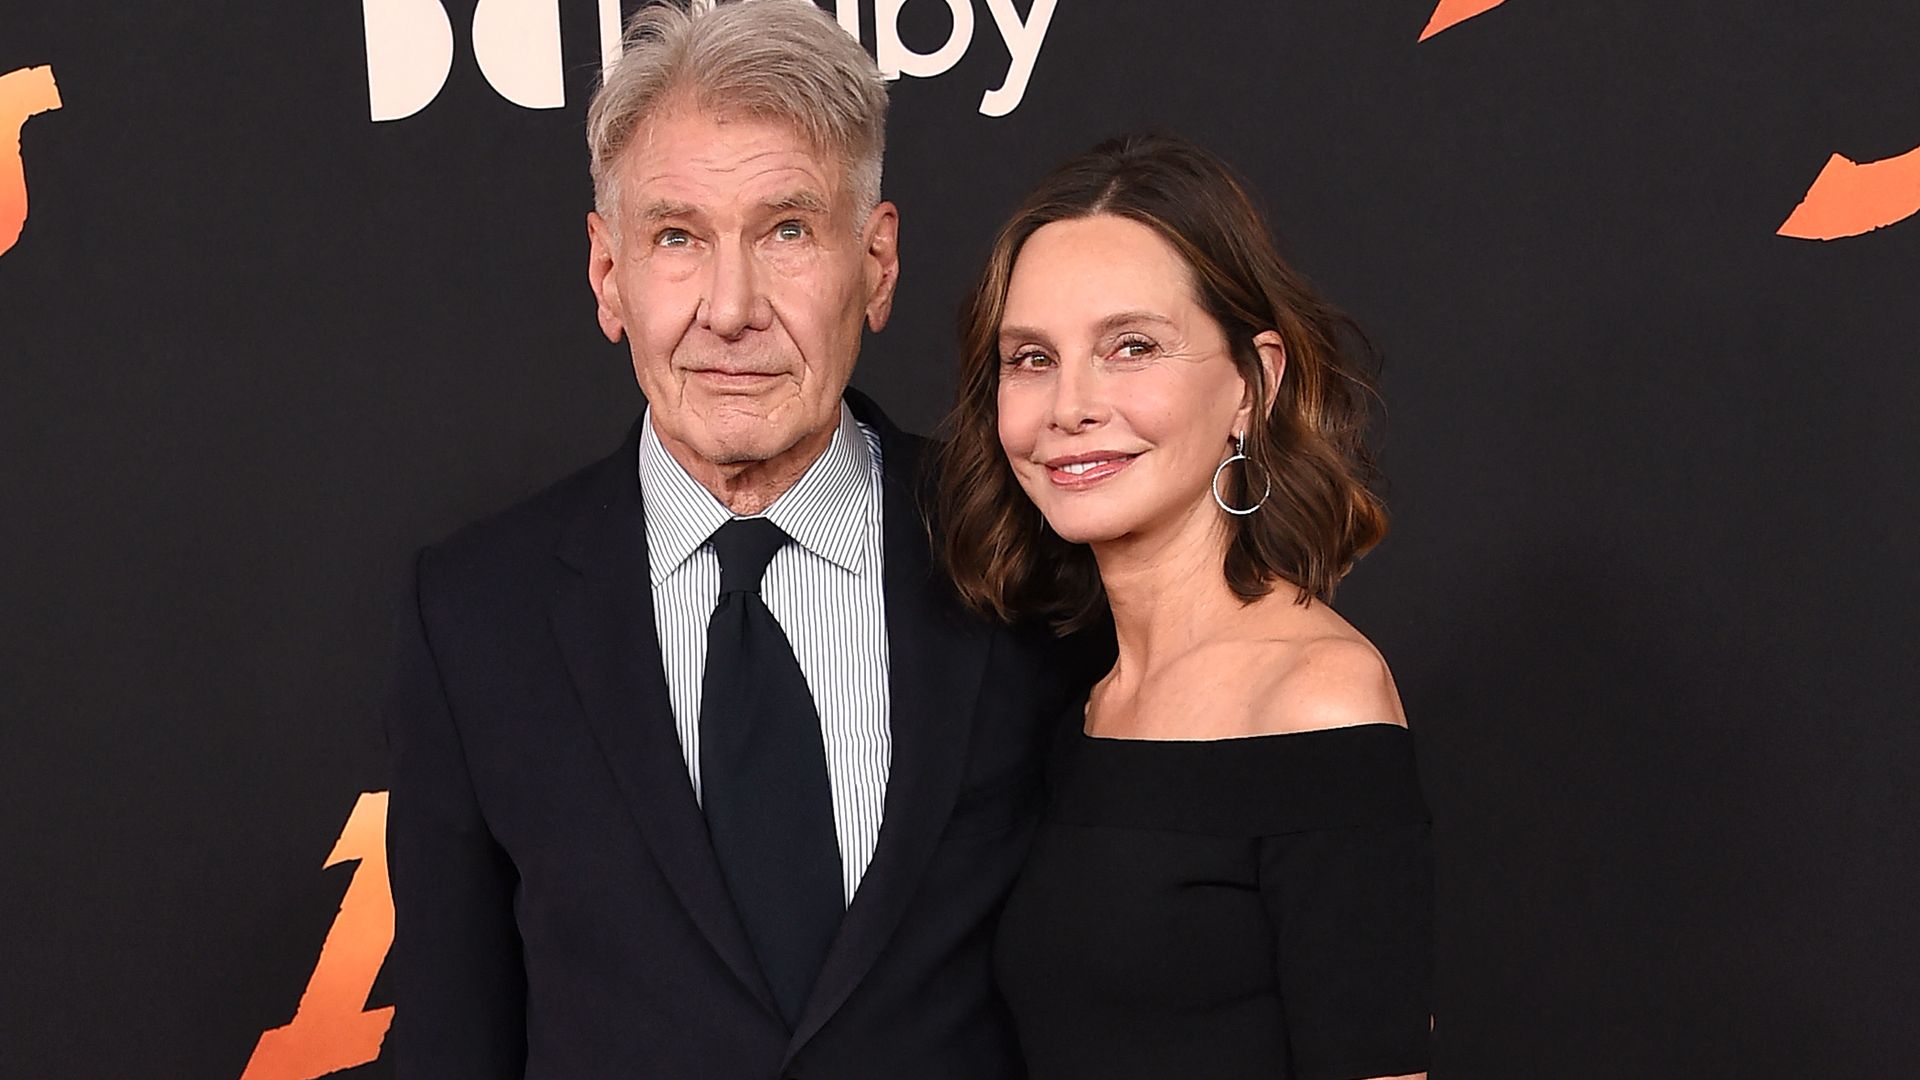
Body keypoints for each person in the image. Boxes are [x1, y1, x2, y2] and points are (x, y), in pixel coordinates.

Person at [383, 2, 1094, 1077]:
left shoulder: (1030, 550)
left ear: (879, 262)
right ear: (607, 273)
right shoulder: (476, 612)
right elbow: (451, 1042)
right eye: (677, 236)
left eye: (788, 231)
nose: (730, 308)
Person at [937, 133, 1434, 1080]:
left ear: (1255, 383)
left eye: (1131, 347)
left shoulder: (1319, 696)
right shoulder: (1070, 694)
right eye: (1031, 358)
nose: (1070, 405)